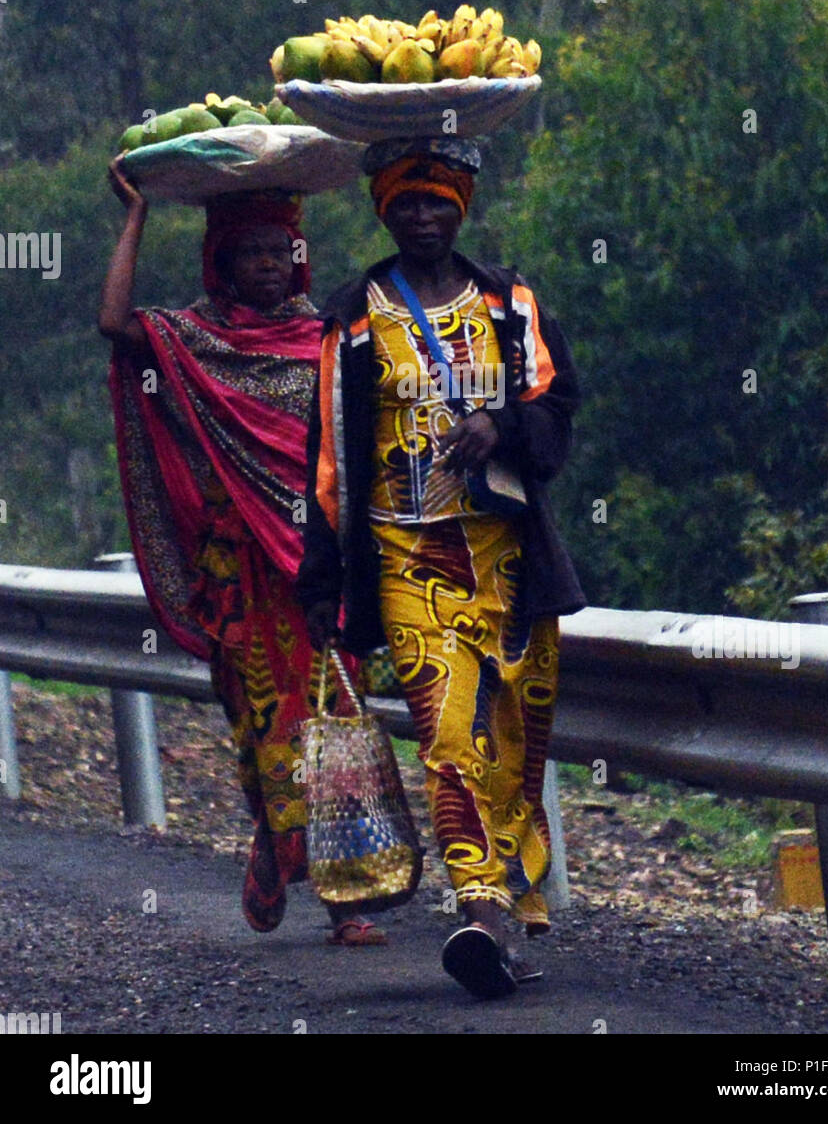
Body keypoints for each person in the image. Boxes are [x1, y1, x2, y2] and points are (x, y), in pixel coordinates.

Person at [298, 135, 585, 997]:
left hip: (507, 560)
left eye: (437, 201)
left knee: (515, 744)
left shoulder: (508, 300)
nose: (421, 215)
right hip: (405, 555)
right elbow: (326, 458)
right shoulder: (352, 318)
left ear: (461, 207)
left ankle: (504, 914)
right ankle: (478, 909)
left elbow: (558, 403)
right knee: (447, 739)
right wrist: (324, 579)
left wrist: (502, 425)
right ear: (382, 208)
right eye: (405, 202)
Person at [98, 157, 385, 946]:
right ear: (219, 262)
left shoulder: (325, 337)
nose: (267, 266)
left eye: (278, 251)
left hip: (320, 568)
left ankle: (345, 895)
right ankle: (275, 836)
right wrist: (135, 218)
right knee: (266, 724)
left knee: (335, 720)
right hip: (242, 572)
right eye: (249, 253)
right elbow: (115, 324)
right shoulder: (194, 339)